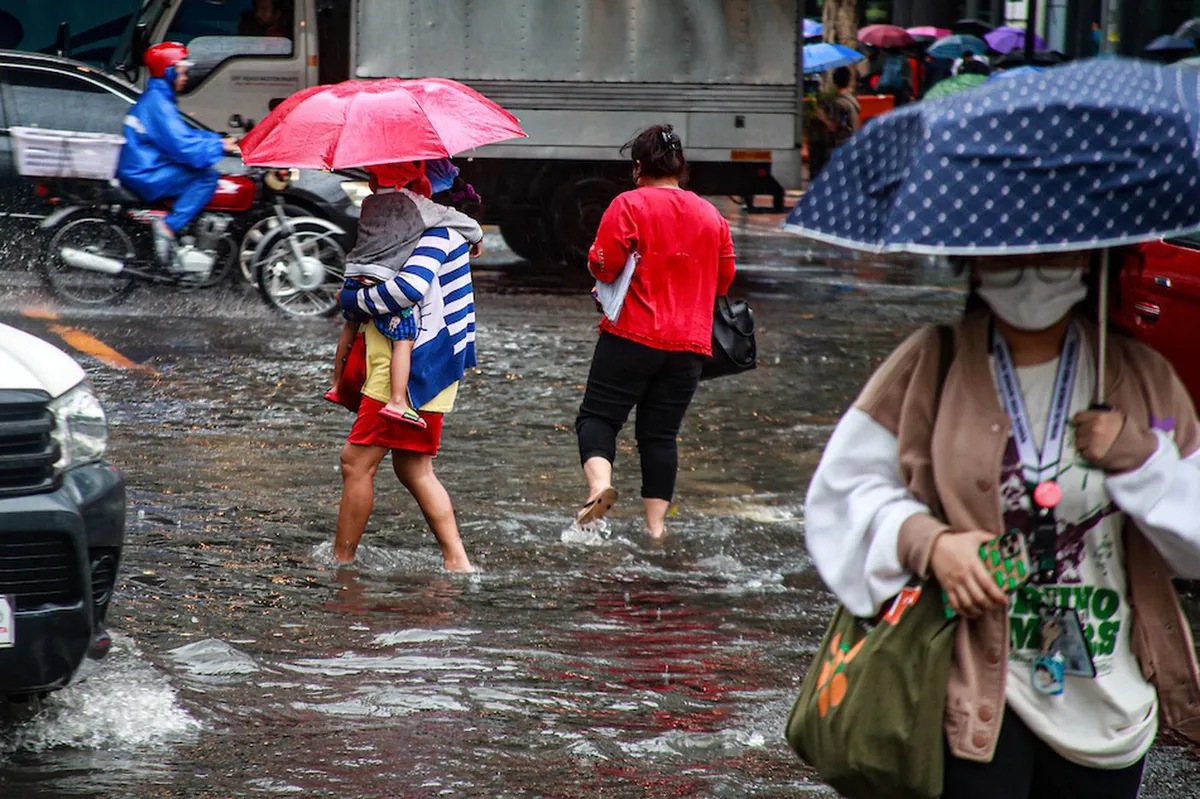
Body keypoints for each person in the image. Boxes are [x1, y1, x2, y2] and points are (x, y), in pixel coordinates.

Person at [804, 250, 1200, 798]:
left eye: (1053, 251)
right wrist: (929, 543)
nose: (1032, 268)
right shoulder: (931, 363)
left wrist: (1141, 458)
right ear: (975, 261)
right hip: (971, 700)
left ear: (1090, 259)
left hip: (1109, 706)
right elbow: (841, 492)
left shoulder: (1143, 378)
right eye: (1011, 254)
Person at [574, 124, 737, 539]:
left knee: (599, 416)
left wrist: (595, 260)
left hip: (631, 335)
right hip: (690, 346)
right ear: (681, 167)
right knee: (660, 436)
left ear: (638, 167)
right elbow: (723, 281)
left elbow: (604, 265)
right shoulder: (712, 216)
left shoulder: (628, 204)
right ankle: (656, 528)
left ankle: (599, 486)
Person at [331, 187, 481, 572]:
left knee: (355, 462)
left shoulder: (438, 236)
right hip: (421, 365)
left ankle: (341, 562)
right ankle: (457, 560)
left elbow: (407, 290)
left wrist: (350, 300)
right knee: (414, 469)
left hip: (411, 369)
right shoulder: (421, 234)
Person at [327, 160, 484, 428]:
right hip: (407, 357)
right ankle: (397, 401)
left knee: (349, 327)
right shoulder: (427, 214)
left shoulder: (372, 204)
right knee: (404, 338)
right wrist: (478, 237)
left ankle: (337, 384)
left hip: (355, 275)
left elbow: (404, 282)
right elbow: (408, 289)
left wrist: (351, 299)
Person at [116, 42, 239, 268]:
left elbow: (184, 135)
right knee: (207, 177)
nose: (185, 76)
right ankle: (167, 227)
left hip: (145, 166)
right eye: (182, 71)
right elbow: (183, 146)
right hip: (145, 172)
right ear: (169, 72)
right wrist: (219, 147)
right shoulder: (158, 103)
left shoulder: (158, 98)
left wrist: (217, 140)